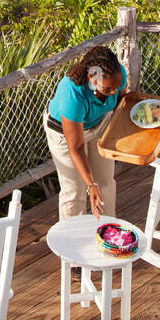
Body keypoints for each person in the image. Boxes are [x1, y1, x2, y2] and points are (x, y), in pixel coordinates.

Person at [44, 45, 127, 220]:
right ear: (92, 78)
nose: (113, 92)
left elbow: (121, 102)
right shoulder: (72, 93)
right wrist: (91, 185)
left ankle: (108, 230)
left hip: (98, 125)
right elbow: (76, 147)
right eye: (107, 90)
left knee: (105, 182)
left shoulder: (117, 75)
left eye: (116, 87)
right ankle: (71, 239)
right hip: (64, 135)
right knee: (75, 192)